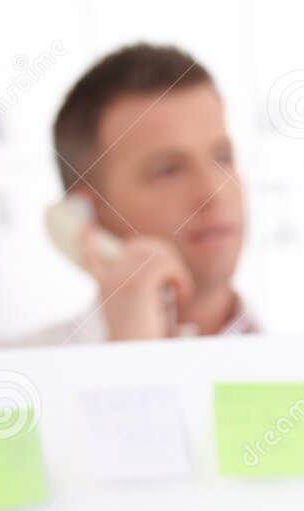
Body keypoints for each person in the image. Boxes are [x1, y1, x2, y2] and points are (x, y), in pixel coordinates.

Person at [16, 43, 257, 346]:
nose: (213, 193)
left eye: (222, 158)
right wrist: (133, 352)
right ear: (88, 214)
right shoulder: (7, 373)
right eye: (169, 170)